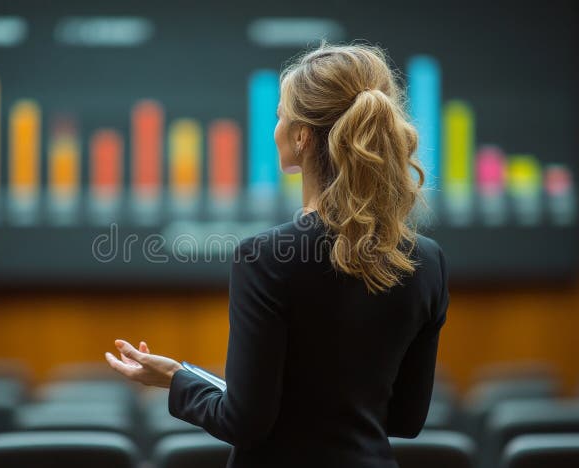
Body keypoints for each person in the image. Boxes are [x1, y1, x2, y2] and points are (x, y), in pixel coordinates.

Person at [105, 42, 449, 467]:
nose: (276, 127)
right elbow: (404, 419)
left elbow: (246, 422)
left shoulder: (265, 257)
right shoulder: (427, 261)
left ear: (302, 136)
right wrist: (189, 374)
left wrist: (178, 381)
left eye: (280, 116)